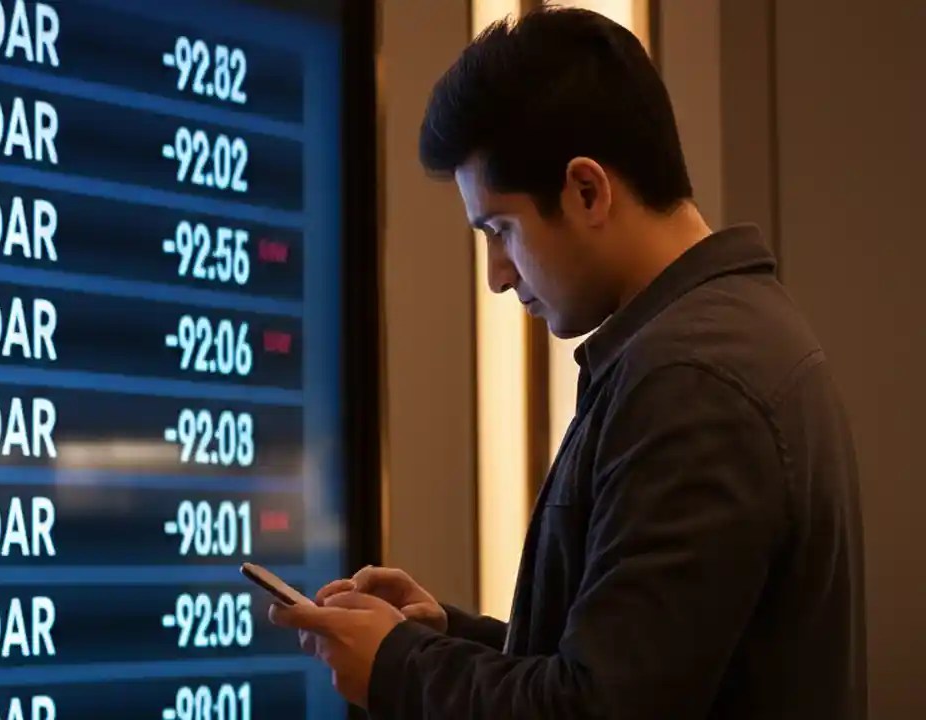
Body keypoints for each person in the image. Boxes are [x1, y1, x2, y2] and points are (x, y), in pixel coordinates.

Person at [270, 8, 866, 719]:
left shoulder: (690, 382)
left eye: (501, 230)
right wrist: (441, 639)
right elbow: (635, 665)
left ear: (587, 190)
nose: (495, 274)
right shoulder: (720, 342)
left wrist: (400, 668)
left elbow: (596, 708)